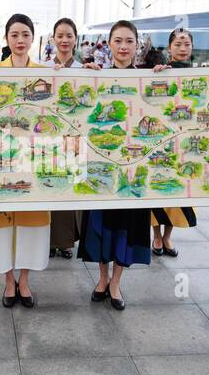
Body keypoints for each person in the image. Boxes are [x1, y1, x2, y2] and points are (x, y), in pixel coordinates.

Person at [78, 20, 152, 310]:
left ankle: (117, 283)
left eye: (129, 41)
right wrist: (81, 77)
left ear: (137, 46)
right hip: (101, 166)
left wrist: (167, 78)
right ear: (108, 45)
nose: (123, 47)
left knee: (127, 226)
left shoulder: (148, 78)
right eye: (118, 41)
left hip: (133, 168)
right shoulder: (96, 77)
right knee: (101, 223)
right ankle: (102, 278)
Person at [0, 14, 49, 307]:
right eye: (14, 35)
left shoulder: (46, 73)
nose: (20, 40)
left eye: (25, 34)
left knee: (31, 223)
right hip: (0, 156)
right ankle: (8, 281)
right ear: (6, 39)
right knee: (2, 219)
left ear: (32, 38)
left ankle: (25, 280)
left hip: (35, 159)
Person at [148, 27, 199, 258]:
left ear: (192, 48)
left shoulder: (200, 74)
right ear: (169, 48)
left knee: (179, 194)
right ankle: (156, 236)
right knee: (158, 189)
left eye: (186, 44)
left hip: (186, 142)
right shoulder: (160, 72)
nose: (182, 48)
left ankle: (168, 236)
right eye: (177, 44)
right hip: (162, 139)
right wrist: (157, 75)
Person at [47, 17, 84, 258]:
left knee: (71, 191)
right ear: (53, 39)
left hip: (74, 138)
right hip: (49, 139)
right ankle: (49, 241)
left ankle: (66, 242)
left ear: (75, 39)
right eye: (60, 35)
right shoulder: (43, 67)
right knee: (51, 186)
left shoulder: (84, 69)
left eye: (69, 35)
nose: (64, 40)